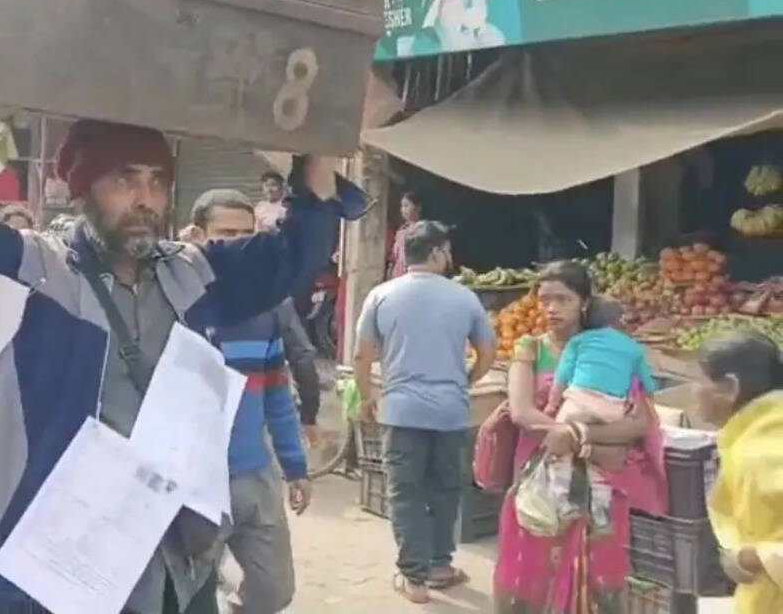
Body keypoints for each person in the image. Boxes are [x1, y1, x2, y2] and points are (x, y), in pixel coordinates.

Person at [0, 0, 365, 614]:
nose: (146, 198)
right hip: (54, 568)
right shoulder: (35, 271)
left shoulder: (192, 273)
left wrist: (323, 124)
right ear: (80, 189)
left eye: (156, 180)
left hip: (175, 564)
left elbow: (295, 254)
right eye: (125, 179)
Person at [492, 260, 667, 614]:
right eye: (544, 300)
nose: (551, 308)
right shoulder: (530, 348)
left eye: (562, 299)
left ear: (584, 302)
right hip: (539, 478)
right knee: (530, 578)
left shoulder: (614, 350)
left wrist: (577, 435)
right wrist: (579, 437)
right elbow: (522, 411)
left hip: (601, 478)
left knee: (599, 576)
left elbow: (639, 422)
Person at [185, 189, 317, 614]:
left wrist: (295, 466)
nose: (240, 246)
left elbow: (276, 394)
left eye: (248, 235)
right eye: (226, 234)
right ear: (195, 236)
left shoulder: (267, 311)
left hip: (253, 477)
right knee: (188, 596)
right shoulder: (170, 303)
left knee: (275, 590)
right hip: (191, 483)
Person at [352, 220, 496, 604]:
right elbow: (488, 354)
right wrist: (464, 381)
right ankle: (438, 565)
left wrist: (366, 396)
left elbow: (362, 356)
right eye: (446, 251)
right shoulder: (464, 298)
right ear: (435, 253)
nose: (450, 258)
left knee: (405, 492)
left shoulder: (381, 295)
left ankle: (413, 578)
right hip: (450, 413)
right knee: (446, 488)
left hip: (400, 412)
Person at [536, 298, 658, 530]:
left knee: (559, 447)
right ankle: (600, 508)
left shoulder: (579, 341)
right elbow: (646, 383)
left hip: (581, 401)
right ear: (619, 321)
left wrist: (553, 405)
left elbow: (562, 376)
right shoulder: (633, 347)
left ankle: (561, 499)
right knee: (600, 467)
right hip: (613, 408)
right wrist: (650, 400)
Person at [697, 332, 783, 614]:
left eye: (701, 379)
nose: (694, 390)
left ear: (730, 387)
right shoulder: (760, 432)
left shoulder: (761, 451)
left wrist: (753, 557)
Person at [387, 190, 422, 279]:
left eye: (406, 206)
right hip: (397, 275)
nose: (403, 210)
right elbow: (394, 258)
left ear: (418, 207)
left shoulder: (422, 229)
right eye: (402, 206)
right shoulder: (401, 231)